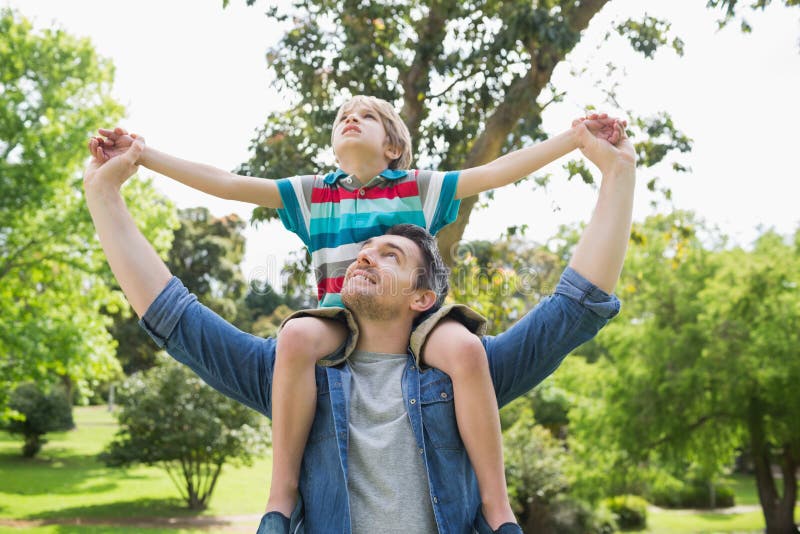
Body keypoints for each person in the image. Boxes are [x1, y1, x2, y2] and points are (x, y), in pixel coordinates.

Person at [90, 95, 623, 530]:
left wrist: (589, 150)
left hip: (431, 338)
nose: (366, 251)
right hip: (326, 332)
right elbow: (178, 309)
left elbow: (572, 299)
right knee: (297, 338)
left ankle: (498, 508)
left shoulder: (465, 380)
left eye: (391, 253)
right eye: (344, 114)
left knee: (462, 347)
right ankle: (281, 499)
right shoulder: (291, 374)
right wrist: (128, 169)